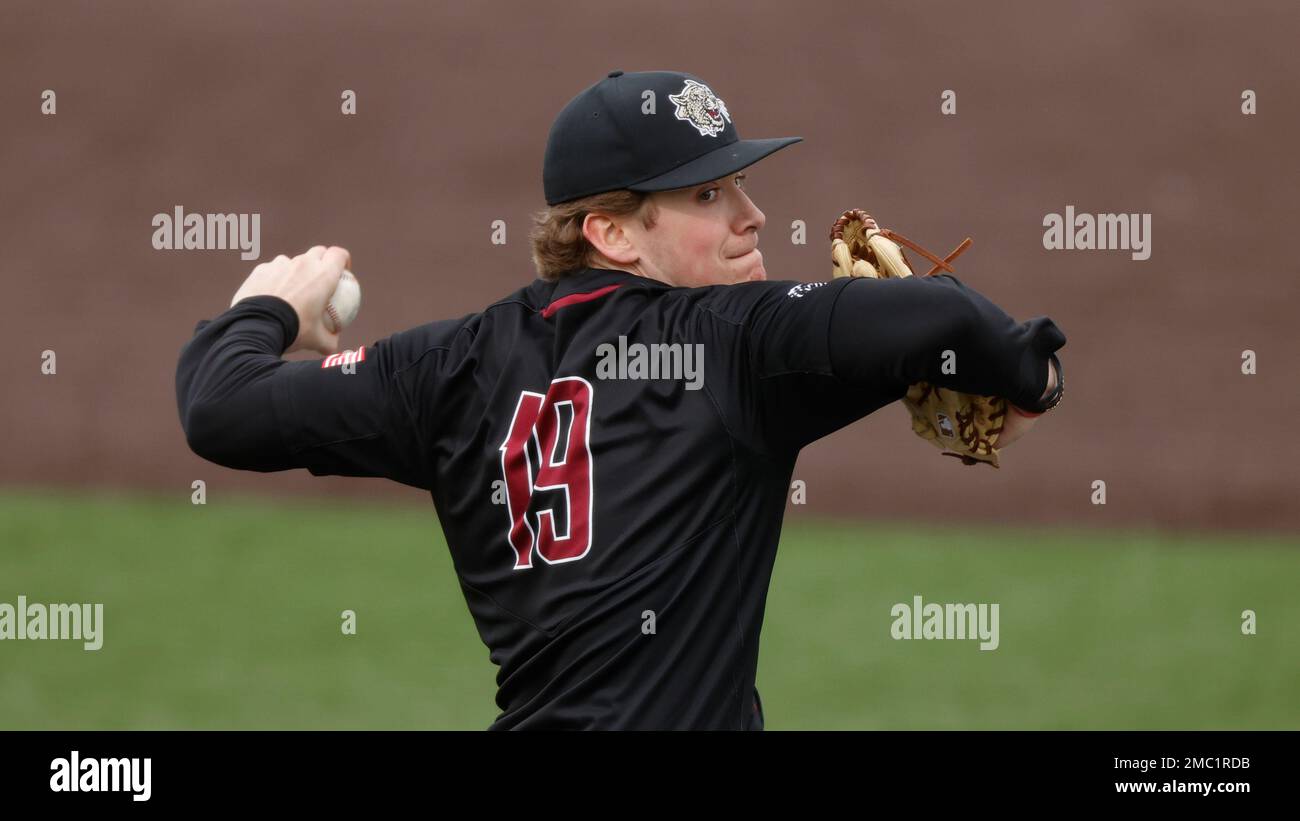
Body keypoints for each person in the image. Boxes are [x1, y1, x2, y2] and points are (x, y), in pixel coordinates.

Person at [176, 70, 1065, 730]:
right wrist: (1030, 382)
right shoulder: (735, 343)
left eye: (743, 184)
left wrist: (267, 311)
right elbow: (944, 315)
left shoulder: (445, 367)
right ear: (610, 233)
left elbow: (218, 403)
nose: (752, 216)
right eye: (710, 193)